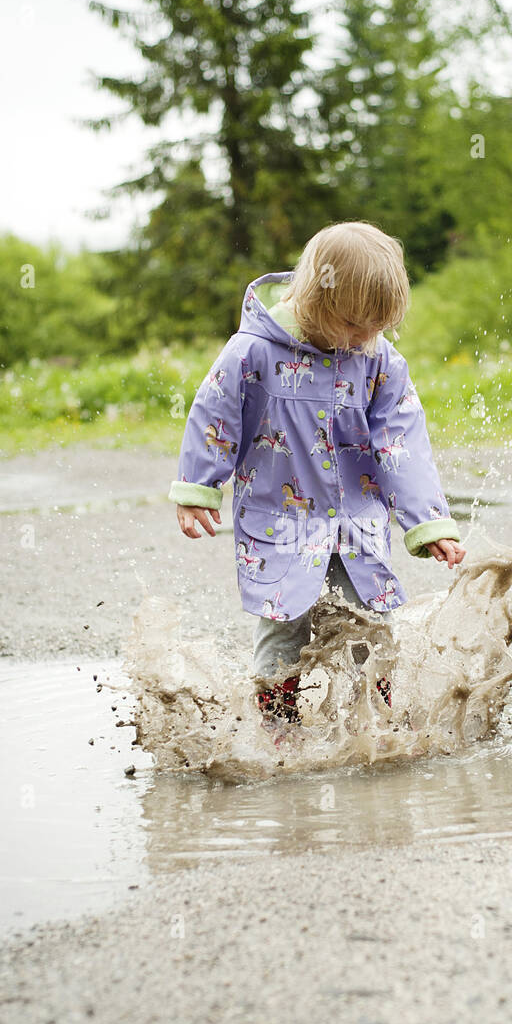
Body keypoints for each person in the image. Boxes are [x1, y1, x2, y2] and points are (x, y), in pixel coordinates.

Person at [171, 221, 466, 729]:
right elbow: (215, 415)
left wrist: (428, 522)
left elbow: (404, 441)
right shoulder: (253, 352)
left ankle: (371, 729)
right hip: (280, 523)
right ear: (317, 301)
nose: (368, 338)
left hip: (355, 523)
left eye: (380, 326)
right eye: (356, 324)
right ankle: (276, 733)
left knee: (369, 626)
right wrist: (200, 486)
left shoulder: (377, 360)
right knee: (282, 631)